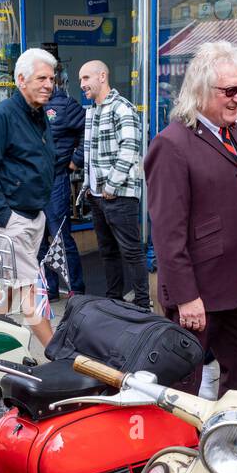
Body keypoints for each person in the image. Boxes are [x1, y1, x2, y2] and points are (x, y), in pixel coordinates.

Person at [145, 41, 237, 396]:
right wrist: (185, 297)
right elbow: (167, 233)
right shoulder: (171, 144)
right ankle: (177, 448)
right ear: (200, 91)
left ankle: (231, 443)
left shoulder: (235, 133)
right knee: (183, 382)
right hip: (198, 292)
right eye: (229, 90)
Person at [0, 47, 61, 347]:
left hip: (33, 214)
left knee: (11, 283)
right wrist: (7, 219)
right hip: (10, 215)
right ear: (21, 80)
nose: (49, 84)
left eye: (51, 78)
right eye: (41, 78)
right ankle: (54, 352)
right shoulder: (2, 116)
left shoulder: (39, 115)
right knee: (31, 286)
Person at [79, 58, 147, 309]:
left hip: (119, 195)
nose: (82, 84)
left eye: (86, 78)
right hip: (97, 196)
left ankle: (142, 305)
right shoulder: (92, 111)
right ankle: (114, 303)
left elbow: (130, 148)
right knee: (107, 252)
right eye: (80, 80)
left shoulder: (121, 107)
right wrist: (89, 187)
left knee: (131, 252)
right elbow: (90, 154)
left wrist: (110, 186)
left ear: (102, 76)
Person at [42, 68, 86, 298]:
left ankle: (75, 288)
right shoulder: (27, 106)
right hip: (33, 183)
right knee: (37, 239)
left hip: (57, 179)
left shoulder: (66, 105)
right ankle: (49, 288)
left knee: (60, 236)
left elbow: (87, 132)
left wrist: (75, 161)